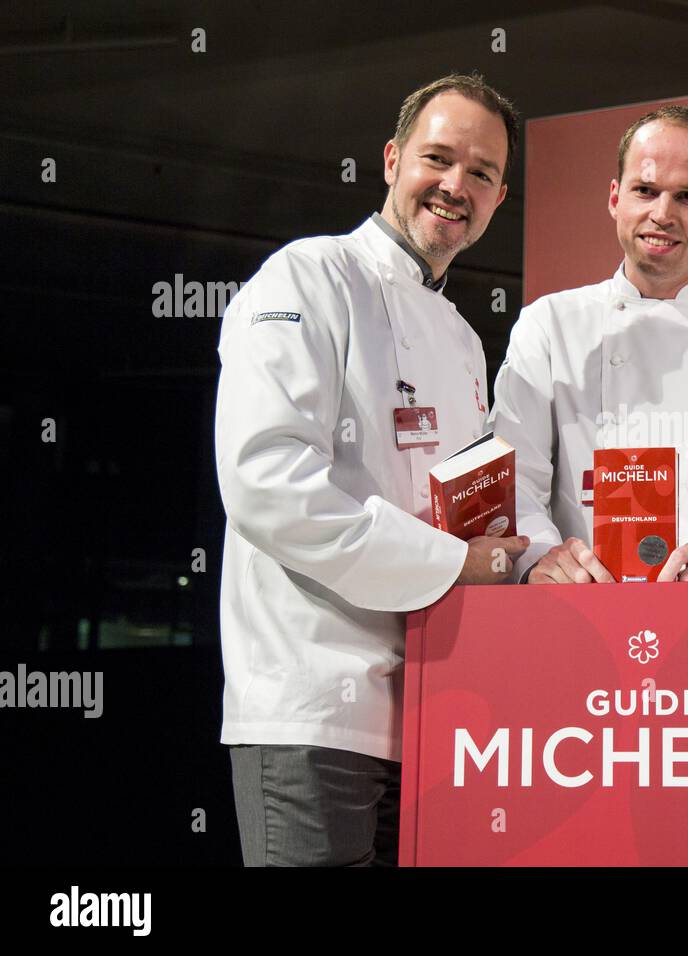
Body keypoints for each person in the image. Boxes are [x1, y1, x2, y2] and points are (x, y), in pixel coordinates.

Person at [214, 74, 528, 866]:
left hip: (432, 713)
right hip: (312, 702)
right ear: (391, 160)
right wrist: (454, 563)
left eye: (483, 174)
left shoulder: (461, 339)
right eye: (439, 158)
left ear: (498, 198)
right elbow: (267, 482)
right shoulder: (306, 277)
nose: (457, 186)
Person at [490, 106, 688, 585]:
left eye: (687, 196)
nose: (662, 215)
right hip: (580, 605)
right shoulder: (550, 323)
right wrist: (541, 556)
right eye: (645, 190)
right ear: (615, 198)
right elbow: (515, 473)